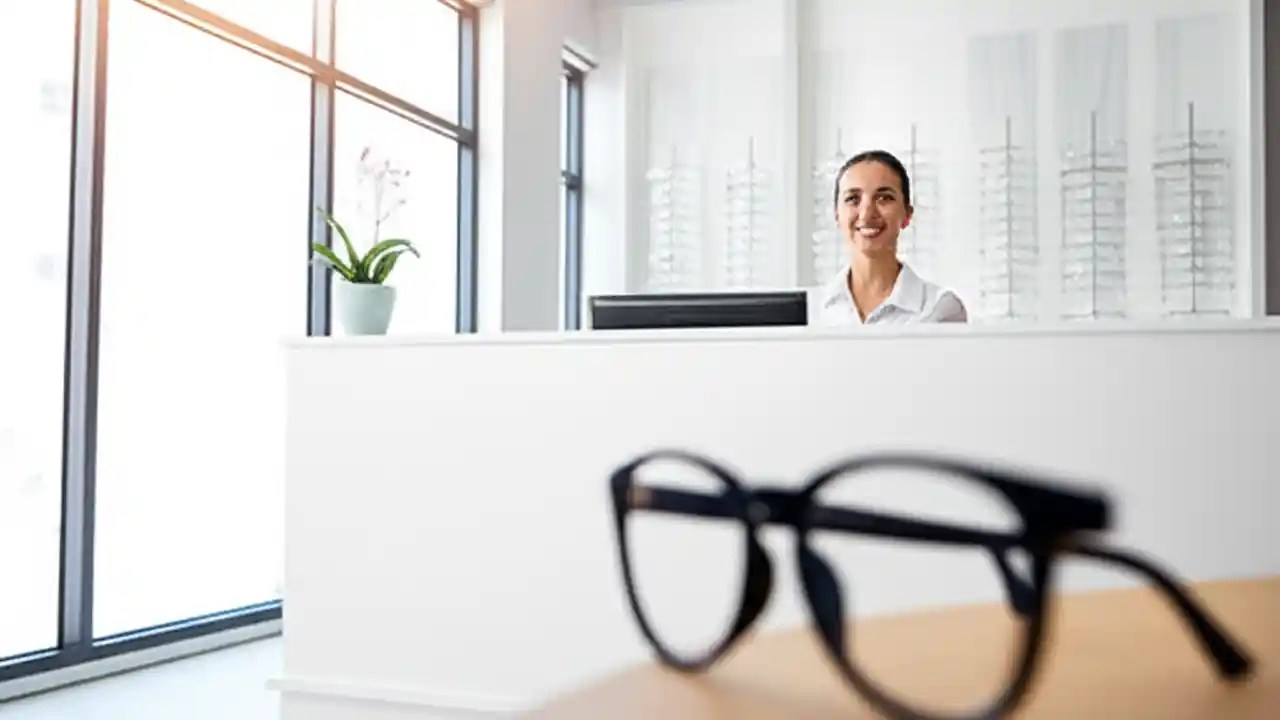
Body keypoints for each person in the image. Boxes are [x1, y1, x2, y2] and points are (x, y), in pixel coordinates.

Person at [810, 150, 966, 325]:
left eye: (884, 198)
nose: (867, 213)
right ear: (837, 215)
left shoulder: (939, 308)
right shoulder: (812, 311)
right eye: (853, 199)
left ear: (907, 215)